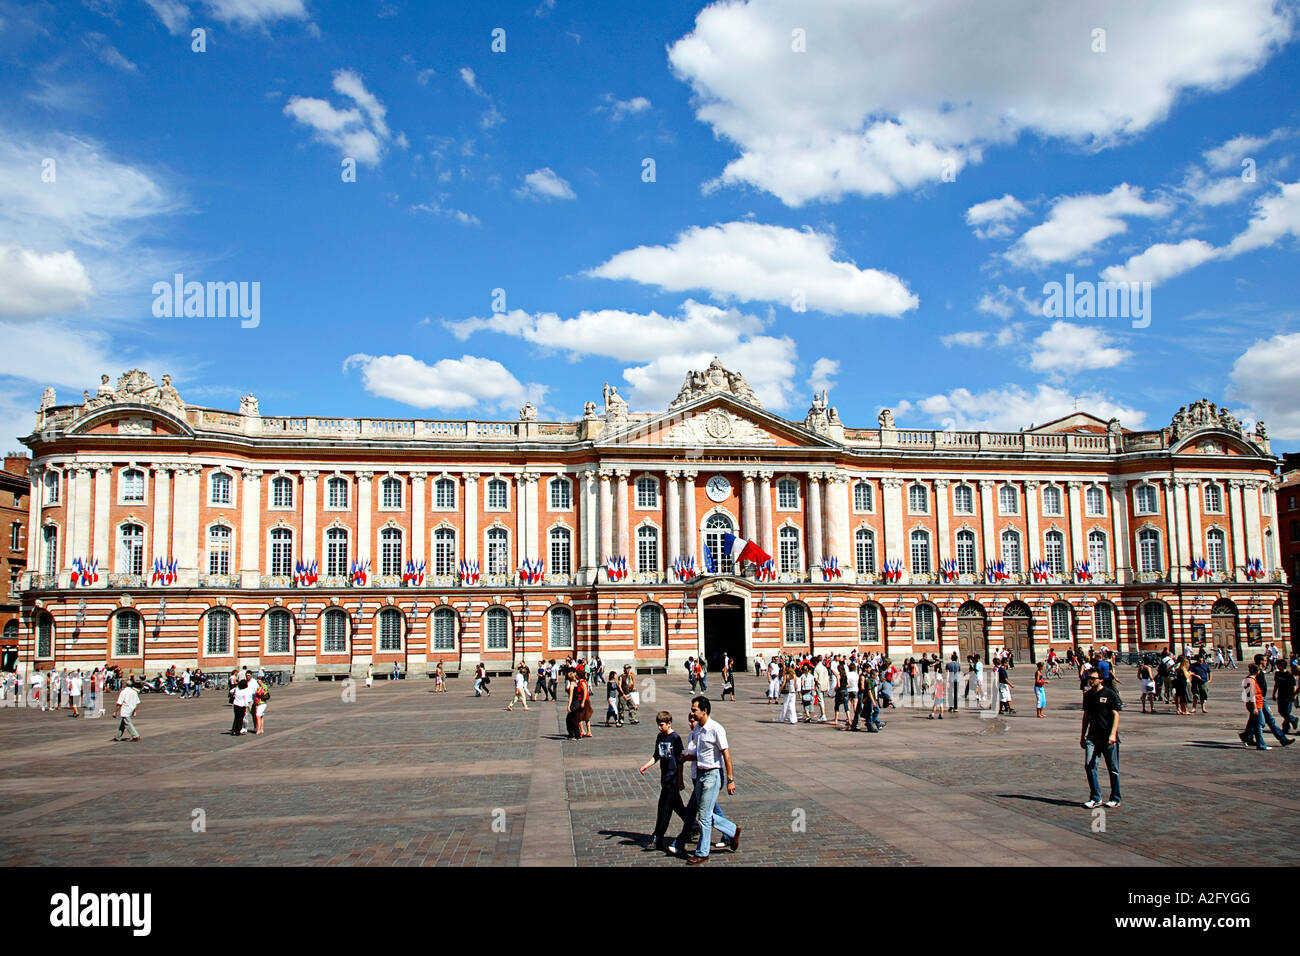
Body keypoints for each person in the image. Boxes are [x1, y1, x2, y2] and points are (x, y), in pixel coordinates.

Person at [680, 696, 739, 864]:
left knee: (704, 816)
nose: (692, 713)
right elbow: (700, 754)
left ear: (704, 711)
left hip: (713, 775)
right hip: (700, 774)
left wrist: (730, 779)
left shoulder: (716, 729)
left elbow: (726, 754)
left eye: (694, 710)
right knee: (705, 812)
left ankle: (702, 852)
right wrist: (686, 757)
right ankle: (732, 830)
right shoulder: (697, 729)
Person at [640, 710, 689, 853]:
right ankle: (693, 826)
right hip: (664, 778)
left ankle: (657, 838)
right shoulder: (660, 737)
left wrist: (680, 779)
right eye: (658, 725)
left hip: (672, 779)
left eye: (661, 725)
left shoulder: (675, 738)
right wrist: (645, 766)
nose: (659, 727)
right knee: (678, 806)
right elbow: (656, 756)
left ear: (669, 723)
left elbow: (680, 760)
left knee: (664, 809)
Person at [1080, 669, 1122, 808]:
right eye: (1089, 678)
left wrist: (1113, 734)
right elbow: (1086, 716)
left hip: (1107, 737)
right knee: (1089, 765)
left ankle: (1115, 797)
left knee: (1113, 768)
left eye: (1093, 678)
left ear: (1101, 679)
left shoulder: (1109, 694)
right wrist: (1082, 736)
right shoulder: (1088, 695)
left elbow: (1116, 715)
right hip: (1092, 737)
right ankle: (1095, 797)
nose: (1090, 680)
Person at [1274, 663, 1298, 733]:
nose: (1277, 666)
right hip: (1280, 695)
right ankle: (1293, 720)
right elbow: (1276, 684)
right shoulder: (1277, 673)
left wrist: (1293, 696)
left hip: (1288, 696)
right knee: (1281, 711)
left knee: (1286, 712)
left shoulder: (1289, 675)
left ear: (1283, 666)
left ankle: (1286, 727)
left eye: (1278, 665)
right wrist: (1274, 693)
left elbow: (1294, 686)